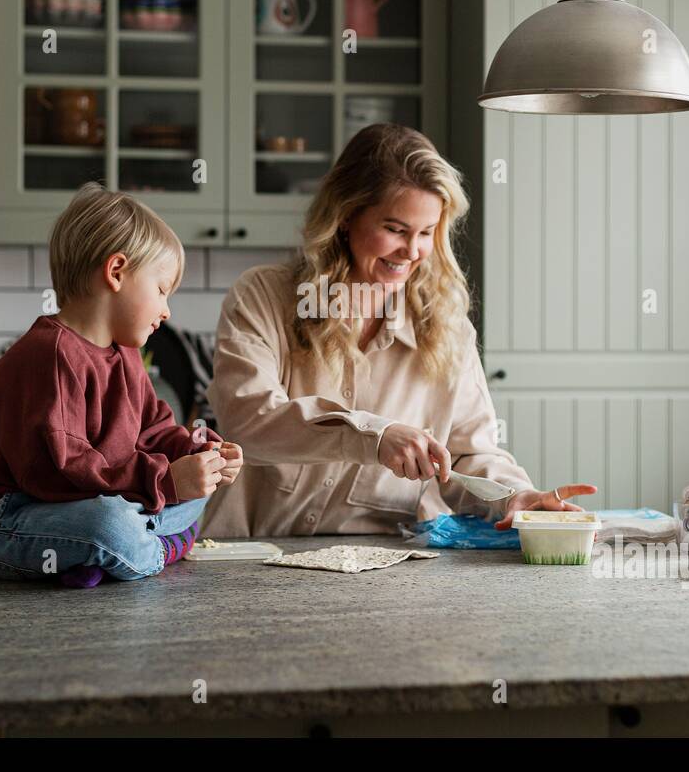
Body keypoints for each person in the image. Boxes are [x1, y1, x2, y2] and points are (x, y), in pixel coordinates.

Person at [204, 123, 594, 537]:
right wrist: (374, 435)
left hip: (387, 569)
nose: (411, 252)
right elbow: (249, 422)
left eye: (426, 233)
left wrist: (514, 495)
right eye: (395, 229)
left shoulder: (447, 328)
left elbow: (467, 455)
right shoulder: (263, 296)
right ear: (346, 216)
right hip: (250, 560)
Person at [0, 183, 244, 587]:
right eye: (162, 290)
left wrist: (200, 454)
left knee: (195, 492)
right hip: (0, 515)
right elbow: (57, 475)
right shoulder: (51, 353)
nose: (166, 311)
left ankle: (96, 557)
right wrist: (165, 481)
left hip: (72, 501)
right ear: (116, 272)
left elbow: (154, 431)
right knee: (109, 523)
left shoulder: (124, 352)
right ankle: (150, 548)